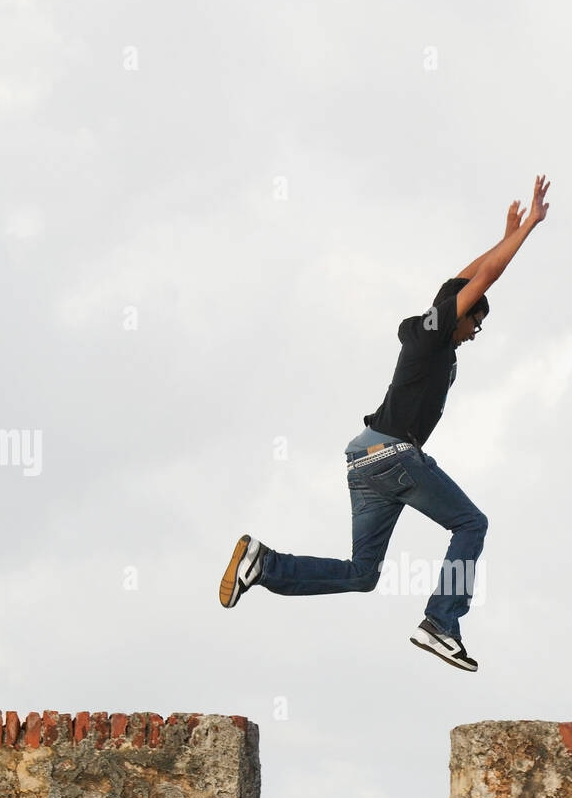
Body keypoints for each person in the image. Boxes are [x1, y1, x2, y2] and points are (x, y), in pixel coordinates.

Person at [219, 174, 551, 671]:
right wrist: (528, 231)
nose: (476, 331)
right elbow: (480, 281)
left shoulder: (429, 328)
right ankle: (442, 622)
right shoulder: (432, 333)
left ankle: (262, 564)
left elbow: (465, 278)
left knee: (361, 574)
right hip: (394, 457)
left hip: (364, 463)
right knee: (471, 523)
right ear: (457, 316)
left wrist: (504, 236)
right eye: (475, 321)